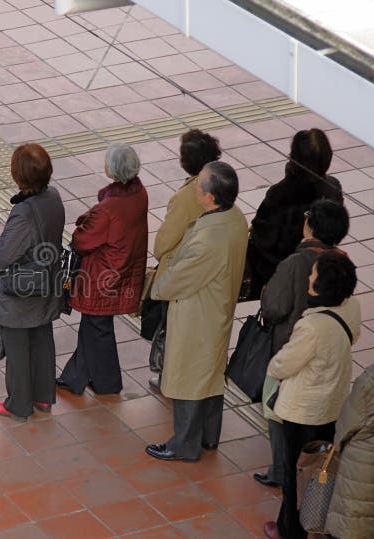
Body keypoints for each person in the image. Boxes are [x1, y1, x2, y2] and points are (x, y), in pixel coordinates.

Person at [145, 161, 247, 462]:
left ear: (210, 198)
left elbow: (176, 280)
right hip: (216, 310)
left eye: (199, 186)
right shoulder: (235, 218)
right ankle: (208, 436)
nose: (195, 189)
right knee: (211, 375)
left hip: (197, 316)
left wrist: (159, 285)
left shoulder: (209, 239)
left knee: (189, 379)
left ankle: (184, 444)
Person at [263, 252, 361, 539]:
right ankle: (317, 522)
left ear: (322, 286)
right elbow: (352, 336)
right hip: (333, 403)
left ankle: (291, 530)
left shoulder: (312, 326)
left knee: (296, 473)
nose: (309, 277)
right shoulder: (350, 307)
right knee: (322, 470)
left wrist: (273, 366)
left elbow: (283, 364)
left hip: (302, 410)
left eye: (314, 275)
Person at [254, 199, 350, 488]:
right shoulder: (342, 263)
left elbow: (273, 307)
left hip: (291, 349)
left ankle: (283, 474)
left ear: (311, 226)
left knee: (277, 416)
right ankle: (314, 470)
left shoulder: (296, 263)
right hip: (330, 360)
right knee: (318, 422)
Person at [56, 143, 148, 395]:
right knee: (94, 325)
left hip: (102, 277)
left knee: (98, 326)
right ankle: (75, 378)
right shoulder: (139, 194)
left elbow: (81, 241)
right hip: (124, 269)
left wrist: (86, 220)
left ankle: (108, 383)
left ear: (113, 171)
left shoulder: (107, 209)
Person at [0, 144, 65, 421]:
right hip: (48, 282)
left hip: (23, 289)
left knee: (18, 345)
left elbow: (5, 254)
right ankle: (44, 397)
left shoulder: (24, 213)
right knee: (42, 337)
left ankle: (18, 404)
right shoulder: (53, 197)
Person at [148, 129, 222, 390]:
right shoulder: (222, 183)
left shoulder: (185, 197)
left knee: (175, 326)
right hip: (211, 269)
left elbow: (164, 242)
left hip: (182, 271)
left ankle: (170, 375)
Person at [246, 128, 343, 299]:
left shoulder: (279, 195)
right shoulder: (333, 188)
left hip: (280, 272)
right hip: (320, 266)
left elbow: (264, 238)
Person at [325, 315, 374, 539]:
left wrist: (336, 447)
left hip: (363, 461)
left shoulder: (370, 381)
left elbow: (348, 424)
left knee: (356, 519)